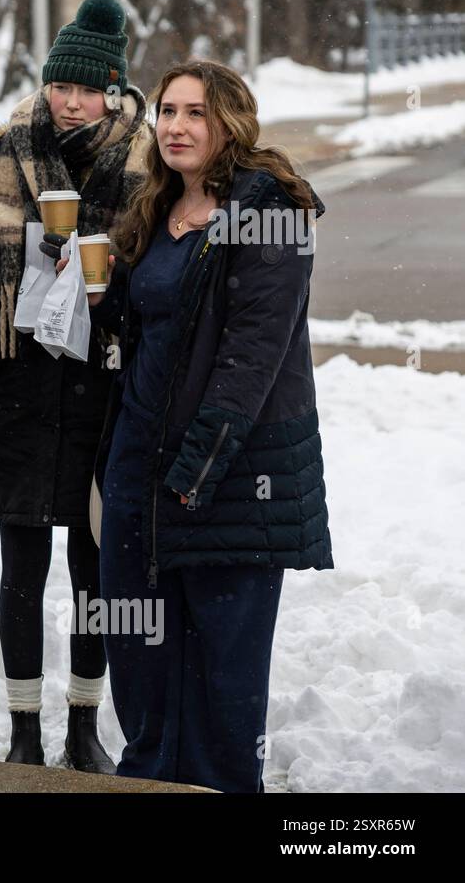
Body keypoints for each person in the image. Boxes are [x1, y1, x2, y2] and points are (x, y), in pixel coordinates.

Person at [88, 59, 333, 792]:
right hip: (138, 470)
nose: (176, 127)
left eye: (196, 112)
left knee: (222, 678)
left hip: (229, 477)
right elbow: (148, 338)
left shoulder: (269, 209)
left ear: (230, 122)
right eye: (167, 111)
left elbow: (252, 356)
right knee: (140, 661)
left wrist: (196, 471)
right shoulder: (153, 209)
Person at [0, 0, 151, 771]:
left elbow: (158, 280)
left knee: (94, 571)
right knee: (20, 570)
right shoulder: (8, 150)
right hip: (16, 391)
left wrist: (107, 288)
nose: (69, 101)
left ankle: (83, 727)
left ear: (113, 89)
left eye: (86, 88)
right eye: (60, 85)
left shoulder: (144, 158)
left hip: (103, 393)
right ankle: (24, 729)